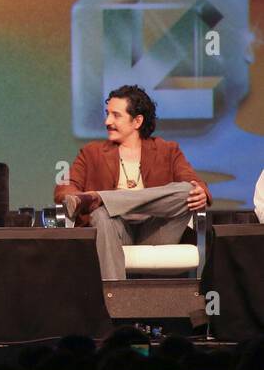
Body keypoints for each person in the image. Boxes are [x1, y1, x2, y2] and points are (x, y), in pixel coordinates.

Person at [54, 84, 211, 281]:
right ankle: (115, 299)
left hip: (156, 228)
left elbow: (193, 181)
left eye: (116, 115)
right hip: (115, 228)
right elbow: (64, 188)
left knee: (187, 190)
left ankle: (101, 198)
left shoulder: (167, 150)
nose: (107, 121)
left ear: (137, 121)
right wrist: (75, 197)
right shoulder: (91, 152)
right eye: (107, 114)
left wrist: (201, 191)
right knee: (101, 214)